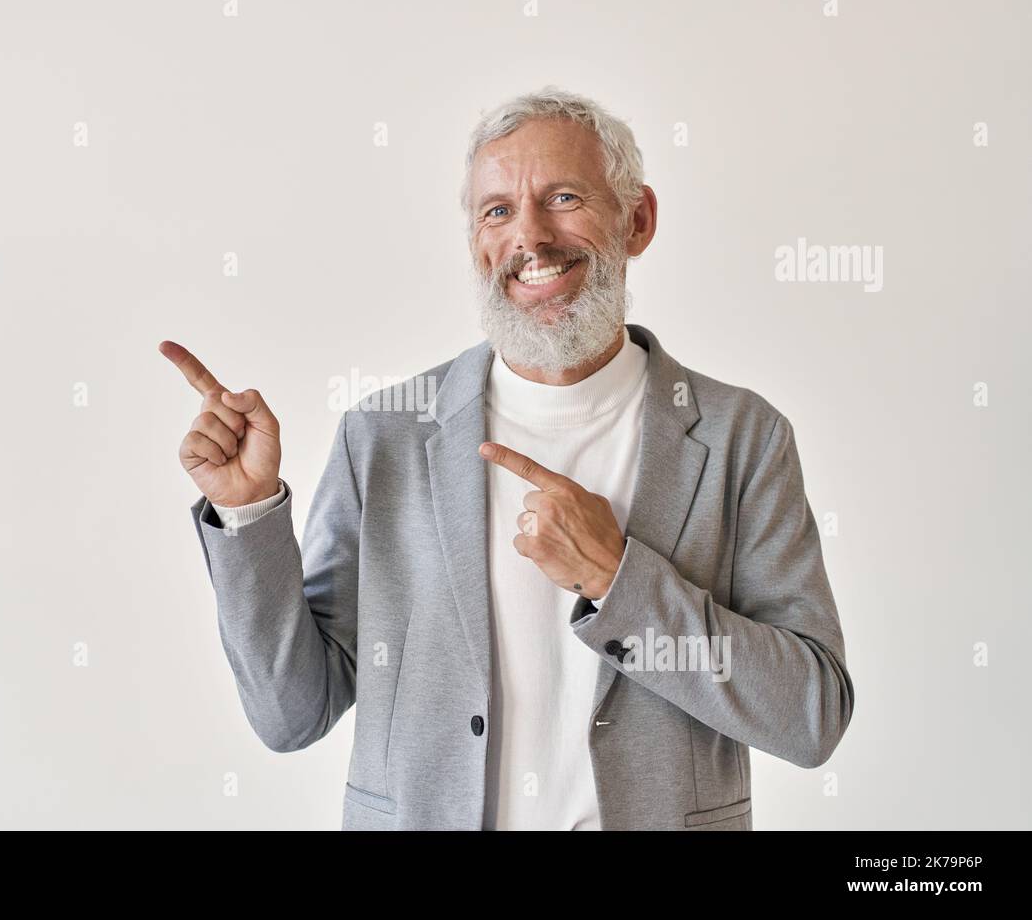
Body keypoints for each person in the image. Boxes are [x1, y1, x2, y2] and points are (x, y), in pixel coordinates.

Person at [161, 86, 853, 830]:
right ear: (475, 244)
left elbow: (811, 716)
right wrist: (248, 513)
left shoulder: (742, 436)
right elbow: (292, 714)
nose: (530, 236)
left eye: (562, 197)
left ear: (637, 220)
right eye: (497, 211)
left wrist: (617, 579)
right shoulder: (383, 437)